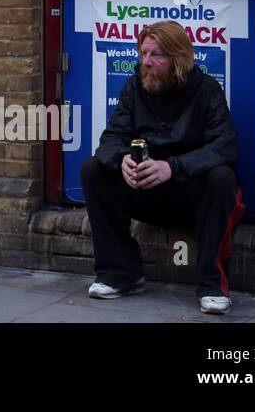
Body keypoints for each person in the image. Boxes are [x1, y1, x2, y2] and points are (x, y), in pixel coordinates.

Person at [79, 20, 245, 314]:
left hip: (188, 196)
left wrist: (173, 167)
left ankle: (212, 285)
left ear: (177, 58)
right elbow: (110, 139)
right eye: (143, 53)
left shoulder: (206, 89)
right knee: (93, 169)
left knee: (222, 178)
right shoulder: (135, 85)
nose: (146, 62)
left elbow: (224, 147)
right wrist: (122, 161)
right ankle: (120, 274)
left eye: (156, 55)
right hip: (144, 191)